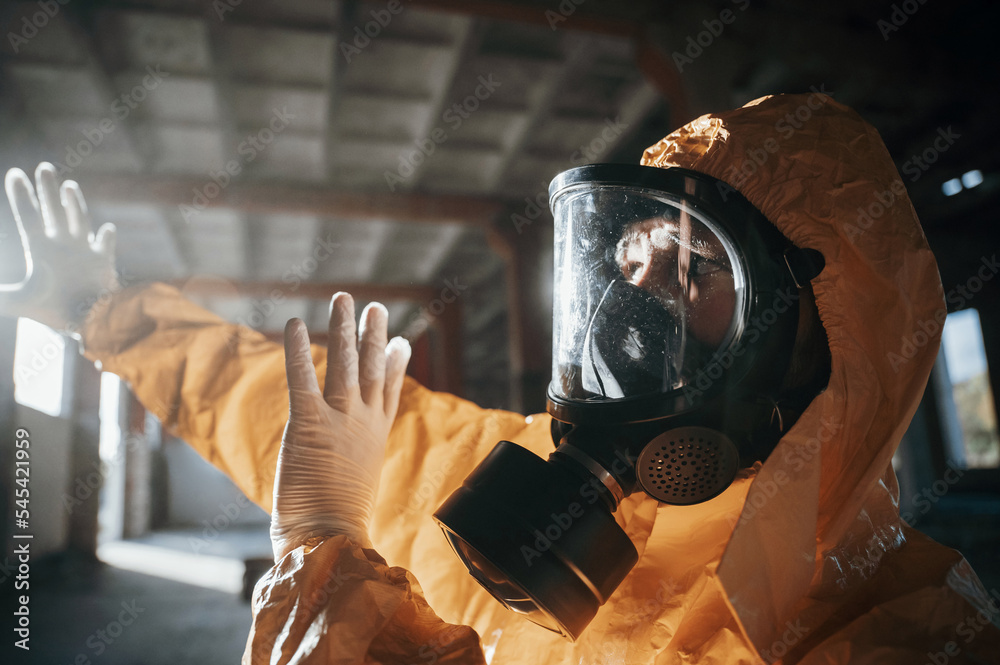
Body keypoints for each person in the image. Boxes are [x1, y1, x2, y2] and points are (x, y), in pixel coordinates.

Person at [4, 93, 999, 664]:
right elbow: (280, 402)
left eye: (695, 264)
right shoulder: (508, 474)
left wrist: (322, 563)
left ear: (811, 345)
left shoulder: (897, 635)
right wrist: (107, 314)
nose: (632, 297)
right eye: (629, 256)